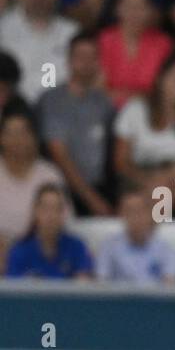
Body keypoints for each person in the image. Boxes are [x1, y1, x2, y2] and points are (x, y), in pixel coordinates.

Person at [35, 31, 117, 216]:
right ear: (69, 60)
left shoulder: (103, 102)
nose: (86, 63)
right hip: (63, 190)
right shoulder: (52, 100)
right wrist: (91, 199)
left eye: (92, 57)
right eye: (80, 57)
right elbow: (59, 154)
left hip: (101, 186)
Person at [112, 55, 175, 198]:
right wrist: (149, 179)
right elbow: (121, 162)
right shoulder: (134, 110)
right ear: (161, 79)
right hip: (142, 176)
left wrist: (172, 177)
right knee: (155, 192)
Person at [0, 110, 64, 253]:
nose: (16, 139)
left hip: (38, 253)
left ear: (34, 137)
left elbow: (63, 221)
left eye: (23, 132)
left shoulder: (50, 175)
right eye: (10, 133)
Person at [5, 182, 92, 279]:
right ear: (35, 212)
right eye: (45, 208)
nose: (51, 216)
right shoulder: (19, 250)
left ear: (64, 214)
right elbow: (13, 290)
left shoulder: (78, 248)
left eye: (57, 209)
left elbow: (84, 287)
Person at [95, 188, 175, 284]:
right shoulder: (108, 247)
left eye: (140, 210)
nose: (135, 216)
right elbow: (101, 284)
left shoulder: (167, 250)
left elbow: (170, 287)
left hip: (156, 298)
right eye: (130, 211)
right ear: (122, 214)